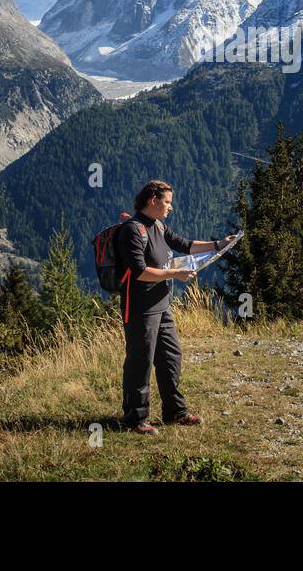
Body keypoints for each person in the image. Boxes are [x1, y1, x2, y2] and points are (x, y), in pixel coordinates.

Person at [118, 179, 233, 434]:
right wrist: (174, 274)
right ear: (153, 200)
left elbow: (185, 245)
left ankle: (175, 412)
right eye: (167, 202)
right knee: (140, 362)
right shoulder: (133, 230)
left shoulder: (158, 226)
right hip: (140, 308)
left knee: (171, 357)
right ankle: (134, 420)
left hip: (161, 304)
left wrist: (218, 244)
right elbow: (139, 272)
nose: (170, 207)